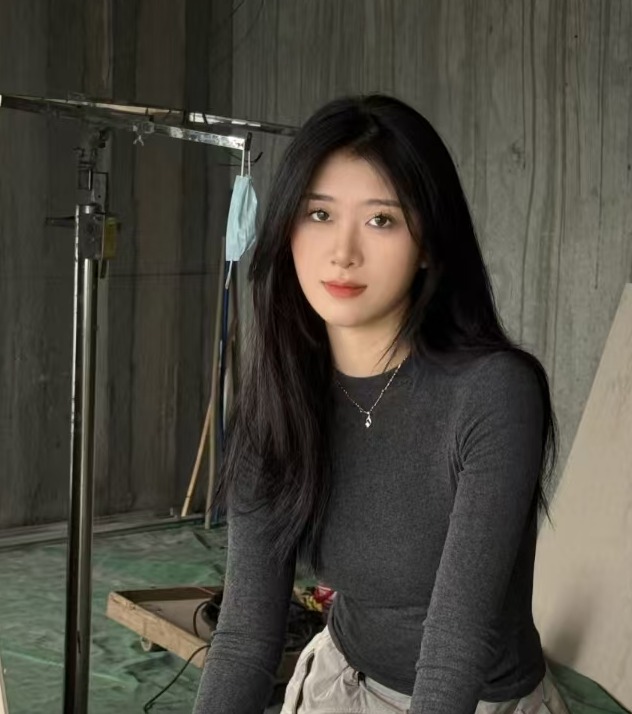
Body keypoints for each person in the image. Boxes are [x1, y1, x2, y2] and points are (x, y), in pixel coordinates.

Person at [192, 94, 569, 714]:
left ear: (429, 245)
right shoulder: (280, 397)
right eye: (319, 214)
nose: (342, 252)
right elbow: (244, 639)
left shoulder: (493, 394)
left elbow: (454, 651)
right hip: (339, 680)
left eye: (381, 220)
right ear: (287, 229)